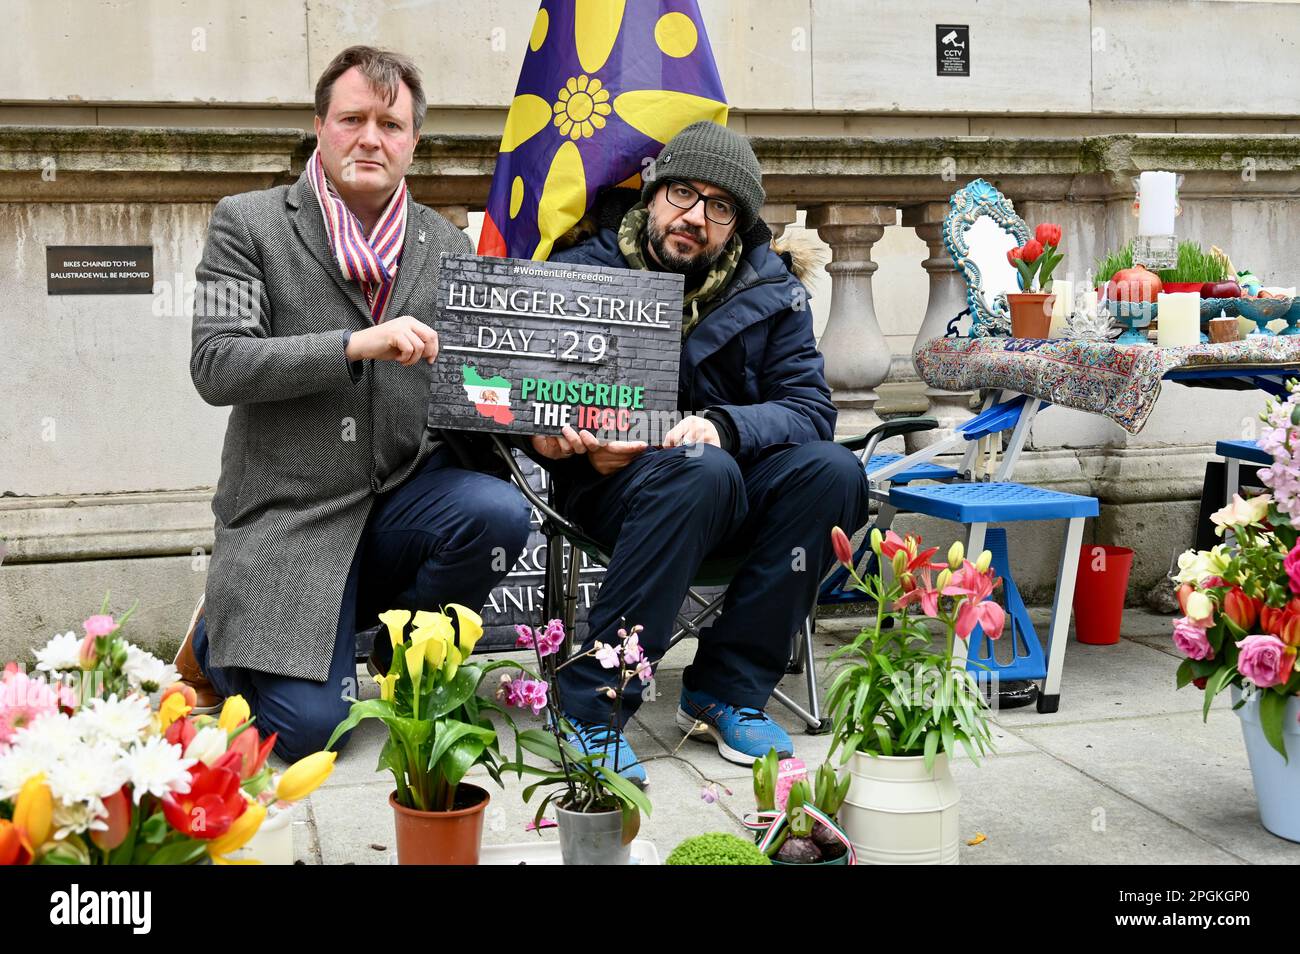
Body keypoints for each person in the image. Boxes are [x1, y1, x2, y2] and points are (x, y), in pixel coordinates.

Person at [176, 46, 530, 761]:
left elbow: (470, 382)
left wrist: (541, 421)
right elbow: (217, 365)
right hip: (291, 520)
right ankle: (216, 638)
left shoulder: (444, 242)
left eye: (390, 125)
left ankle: (405, 666)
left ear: (413, 142)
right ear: (320, 126)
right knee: (313, 735)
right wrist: (353, 345)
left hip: (398, 503)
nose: (371, 138)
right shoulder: (245, 222)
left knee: (497, 513)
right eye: (352, 119)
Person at [529, 121, 871, 783]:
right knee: (698, 472)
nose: (694, 217)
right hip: (616, 493)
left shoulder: (772, 290)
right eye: (682, 193)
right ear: (651, 194)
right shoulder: (581, 273)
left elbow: (810, 411)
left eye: (719, 207)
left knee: (835, 471)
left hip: (734, 487)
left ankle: (727, 688)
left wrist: (723, 426)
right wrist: (558, 443)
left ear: (737, 226)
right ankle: (593, 707)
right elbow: (518, 400)